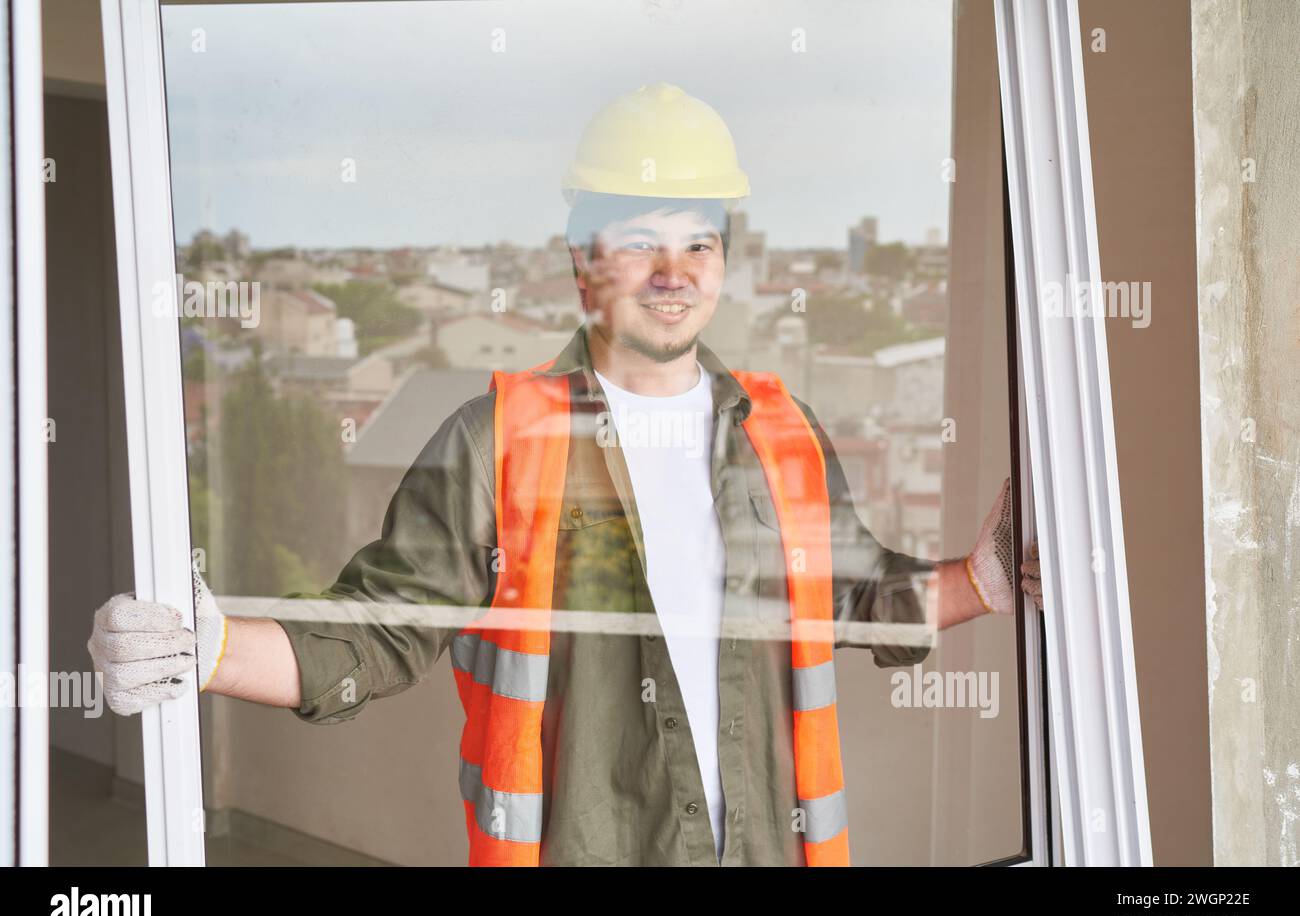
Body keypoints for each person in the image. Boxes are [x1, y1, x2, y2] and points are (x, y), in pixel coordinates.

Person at [89, 83, 1044, 866]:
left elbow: (860, 595)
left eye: (698, 242)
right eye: (640, 243)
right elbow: (378, 631)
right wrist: (209, 651)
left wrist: (981, 578)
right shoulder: (496, 440)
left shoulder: (779, 433)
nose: (673, 272)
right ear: (582, 262)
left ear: (722, 263)